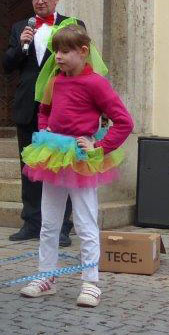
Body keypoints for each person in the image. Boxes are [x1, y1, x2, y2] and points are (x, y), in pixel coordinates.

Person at [19, 23, 132, 307]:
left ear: (83, 52)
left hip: (82, 160)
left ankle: (91, 281)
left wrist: (99, 146)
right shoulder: (55, 81)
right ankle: (47, 276)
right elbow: (44, 110)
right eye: (56, 50)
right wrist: (44, 131)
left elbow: (124, 121)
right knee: (49, 222)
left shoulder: (96, 83)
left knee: (84, 222)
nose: (58, 56)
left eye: (65, 51)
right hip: (55, 157)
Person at [4, 0, 79, 247]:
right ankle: (31, 222)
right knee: (29, 168)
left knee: (60, 168)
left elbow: (81, 62)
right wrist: (22, 46)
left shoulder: (71, 25)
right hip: (27, 106)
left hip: (60, 107)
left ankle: (62, 226)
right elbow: (7, 65)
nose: (40, 2)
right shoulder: (19, 26)